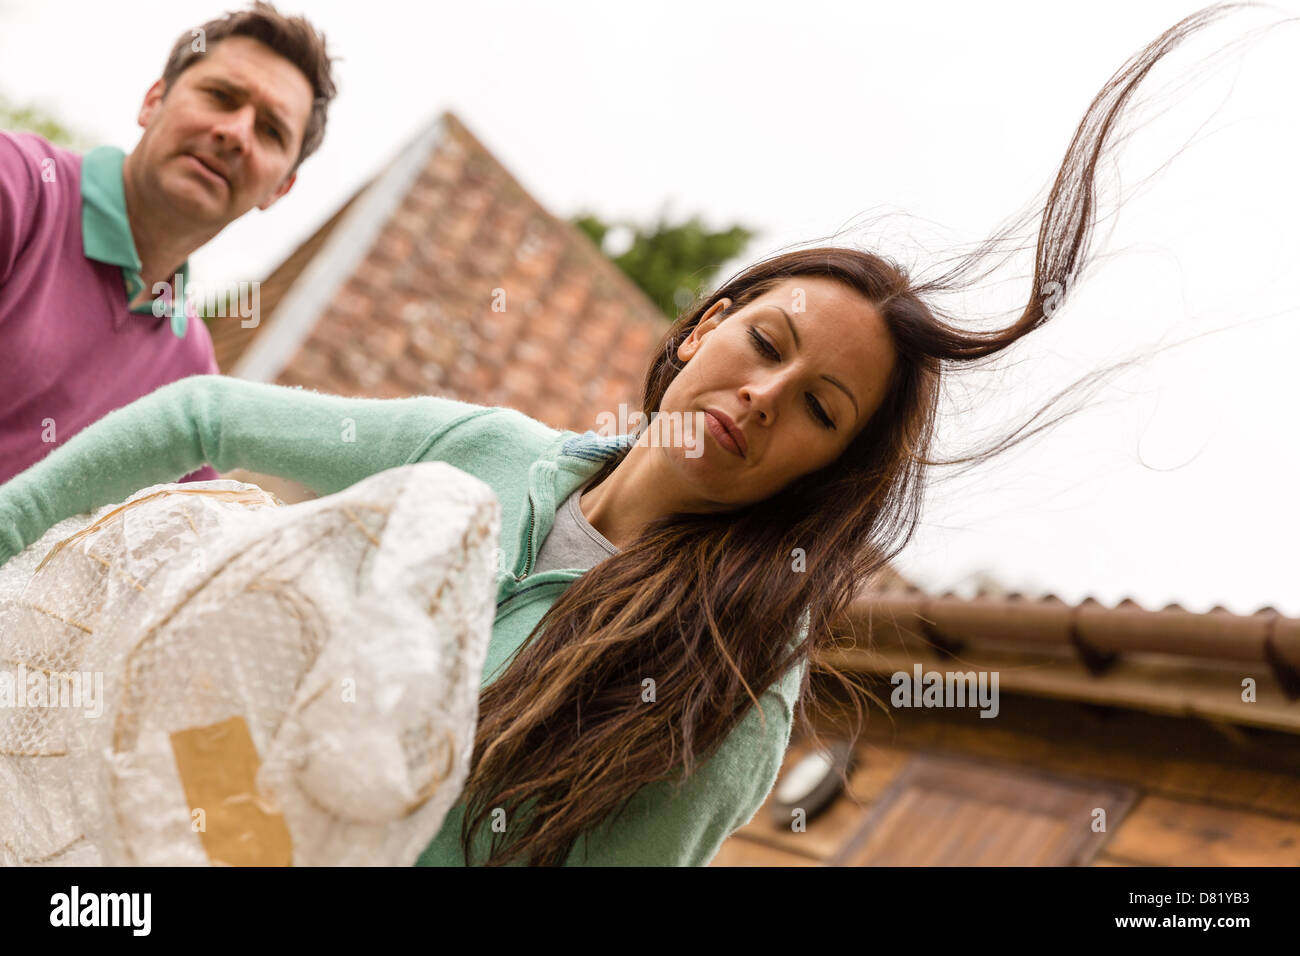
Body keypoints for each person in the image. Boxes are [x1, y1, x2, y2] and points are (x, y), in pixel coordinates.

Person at [0, 4, 1256, 865]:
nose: (765, 396)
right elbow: (206, 417)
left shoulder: (730, 685)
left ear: (827, 467)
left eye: (819, 409)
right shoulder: (483, 457)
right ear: (709, 325)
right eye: (767, 345)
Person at [0, 1, 335, 485]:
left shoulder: (191, 388)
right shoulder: (17, 187)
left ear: (278, 189)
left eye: (270, 130)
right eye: (221, 95)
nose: (236, 133)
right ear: (153, 101)